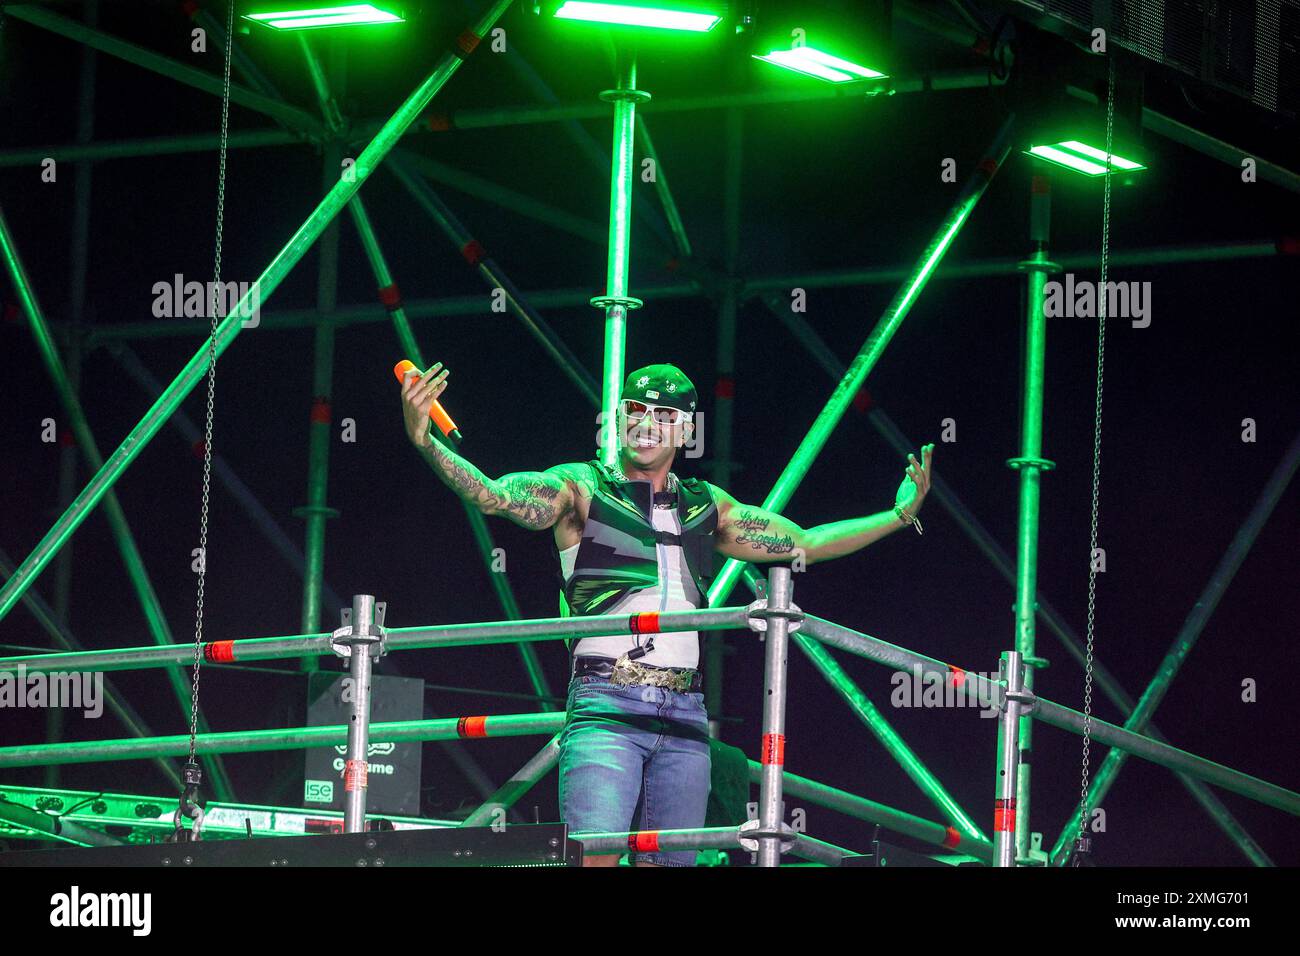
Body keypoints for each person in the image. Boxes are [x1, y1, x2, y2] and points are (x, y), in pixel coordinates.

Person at [401, 360, 933, 866]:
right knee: (595, 854)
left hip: (685, 710)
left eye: (664, 415)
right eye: (635, 409)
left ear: (685, 428)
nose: (647, 423)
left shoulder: (705, 505)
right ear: (619, 417)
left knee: (675, 859)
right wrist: (425, 440)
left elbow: (806, 544)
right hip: (607, 700)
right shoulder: (584, 488)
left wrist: (898, 514)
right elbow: (496, 496)